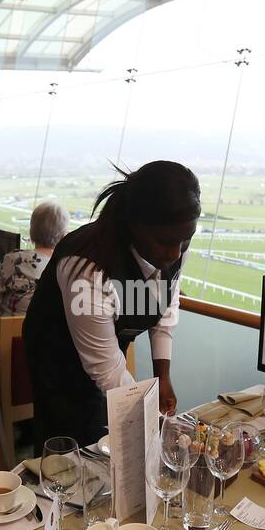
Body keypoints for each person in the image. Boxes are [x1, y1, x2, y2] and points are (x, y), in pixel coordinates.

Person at [23, 161, 199, 447]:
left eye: (185, 239)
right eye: (166, 241)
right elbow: (108, 370)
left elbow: (166, 301)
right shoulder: (87, 267)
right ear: (135, 225)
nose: (175, 253)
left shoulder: (175, 242)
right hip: (58, 358)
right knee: (74, 448)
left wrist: (162, 376)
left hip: (106, 350)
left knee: (121, 433)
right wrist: (152, 420)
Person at [0, 201, 70, 368]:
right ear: (64, 236)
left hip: (7, 348)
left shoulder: (14, 261)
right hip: (49, 353)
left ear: (32, 230)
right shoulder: (67, 268)